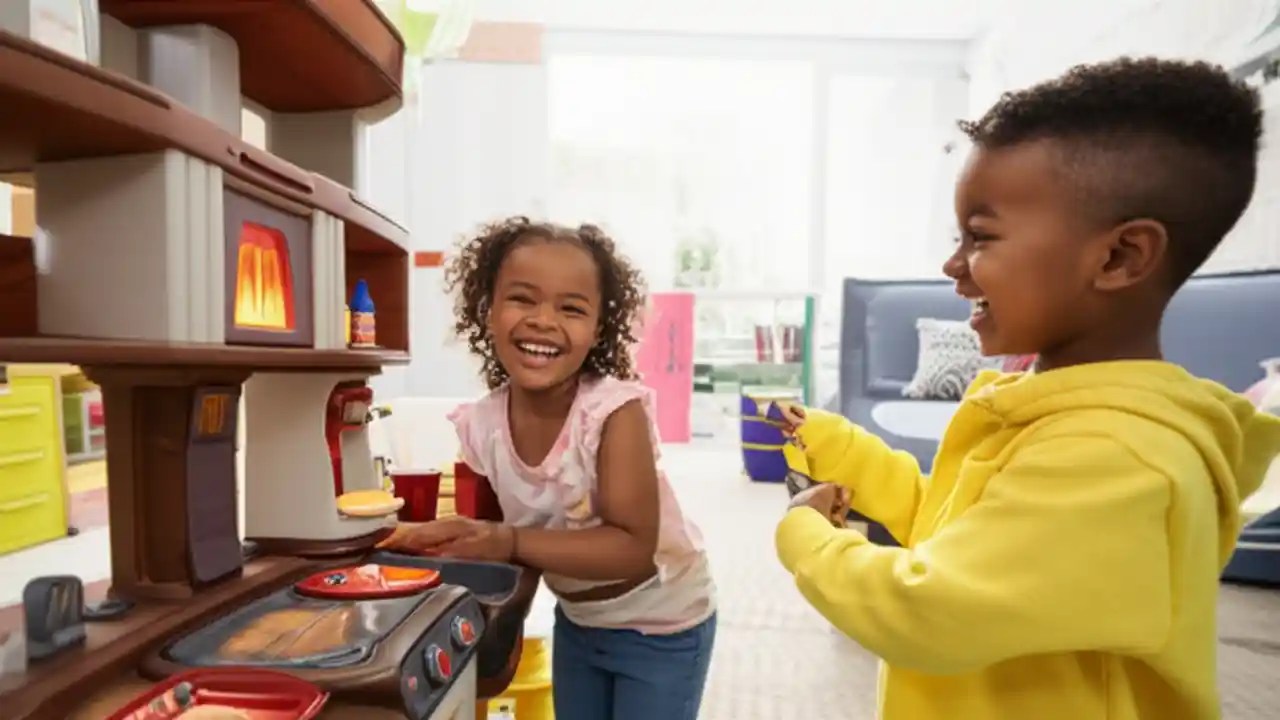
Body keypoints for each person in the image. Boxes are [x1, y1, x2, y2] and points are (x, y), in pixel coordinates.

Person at [775, 57, 1280, 720]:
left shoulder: (1115, 457)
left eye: (980, 237)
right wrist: (837, 448)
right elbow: (953, 526)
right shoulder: (1060, 413)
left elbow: (930, 609)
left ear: (1119, 257)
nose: (953, 264)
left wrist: (806, 534)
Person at [378, 217, 716, 720]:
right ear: (487, 310)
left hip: (663, 627)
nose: (543, 320)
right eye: (522, 299)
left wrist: (505, 541)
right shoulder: (483, 425)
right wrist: (438, 543)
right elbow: (495, 544)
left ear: (598, 328)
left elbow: (630, 548)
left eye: (571, 308)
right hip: (580, 624)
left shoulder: (612, 415)